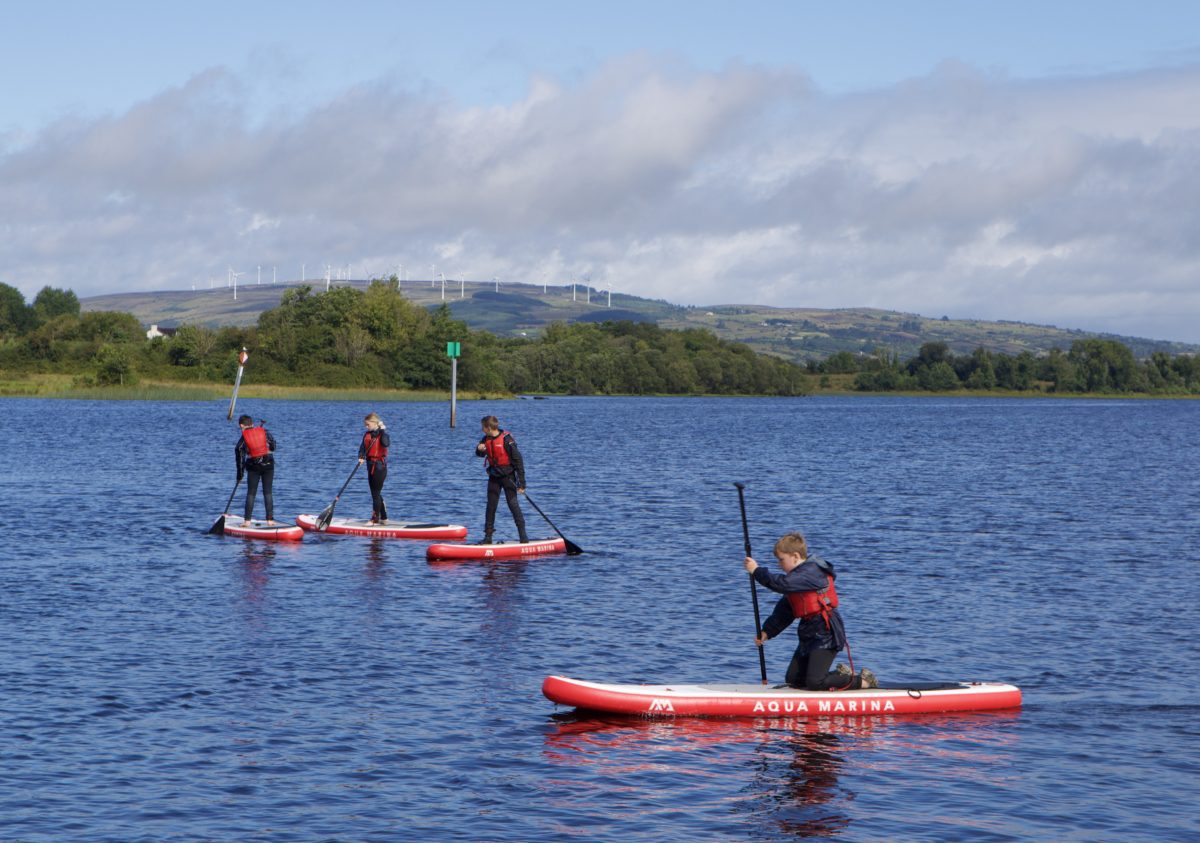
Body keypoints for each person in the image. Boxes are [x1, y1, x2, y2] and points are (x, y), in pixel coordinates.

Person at [743, 531, 878, 690]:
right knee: (794, 679)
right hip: (808, 632)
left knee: (815, 682)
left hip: (826, 632)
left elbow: (781, 584)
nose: (779, 565)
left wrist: (757, 571)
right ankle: (839, 675)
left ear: (795, 556)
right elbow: (784, 612)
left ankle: (862, 681)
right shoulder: (797, 581)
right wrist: (767, 631)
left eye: (781, 560)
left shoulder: (811, 572)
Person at [474, 415, 529, 544]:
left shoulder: (506, 440)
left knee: (513, 505)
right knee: (491, 506)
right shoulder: (485, 438)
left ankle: (523, 537)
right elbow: (480, 454)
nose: (482, 430)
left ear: (488, 428)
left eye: (483, 427)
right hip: (494, 476)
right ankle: (488, 538)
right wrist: (479, 449)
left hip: (508, 476)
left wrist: (521, 483)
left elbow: (518, 461)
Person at [235, 414, 277, 526]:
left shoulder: (243, 437)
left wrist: (240, 475)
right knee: (268, 492)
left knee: (251, 493)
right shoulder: (264, 431)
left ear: (241, 426)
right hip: (269, 464)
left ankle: (247, 522)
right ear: (252, 424)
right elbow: (273, 445)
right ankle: (270, 520)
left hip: (254, 466)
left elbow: (239, 453)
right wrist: (269, 448)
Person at [358, 412, 390, 524]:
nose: (366, 427)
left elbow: (385, 444)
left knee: (375, 493)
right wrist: (361, 457)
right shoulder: (367, 434)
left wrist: (382, 431)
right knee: (375, 493)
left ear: (375, 423)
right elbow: (362, 447)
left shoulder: (383, 435)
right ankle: (384, 518)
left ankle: (374, 519)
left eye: (368, 425)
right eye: (365, 425)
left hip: (380, 467)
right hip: (369, 465)